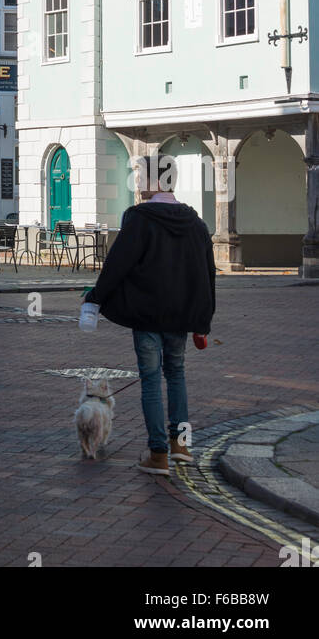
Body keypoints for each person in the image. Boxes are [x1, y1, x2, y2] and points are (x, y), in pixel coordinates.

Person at [84, 155, 215, 476]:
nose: (136, 181)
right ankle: (181, 446)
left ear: (157, 181)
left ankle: (157, 453)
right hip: (180, 316)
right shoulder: (195, 223)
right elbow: (207, 274)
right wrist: (203, 318)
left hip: (147, 314)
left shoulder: (139, 219)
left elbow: (118, 264)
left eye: (140, 175)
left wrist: (95, 298)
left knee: (151, 380)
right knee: (177, 375)